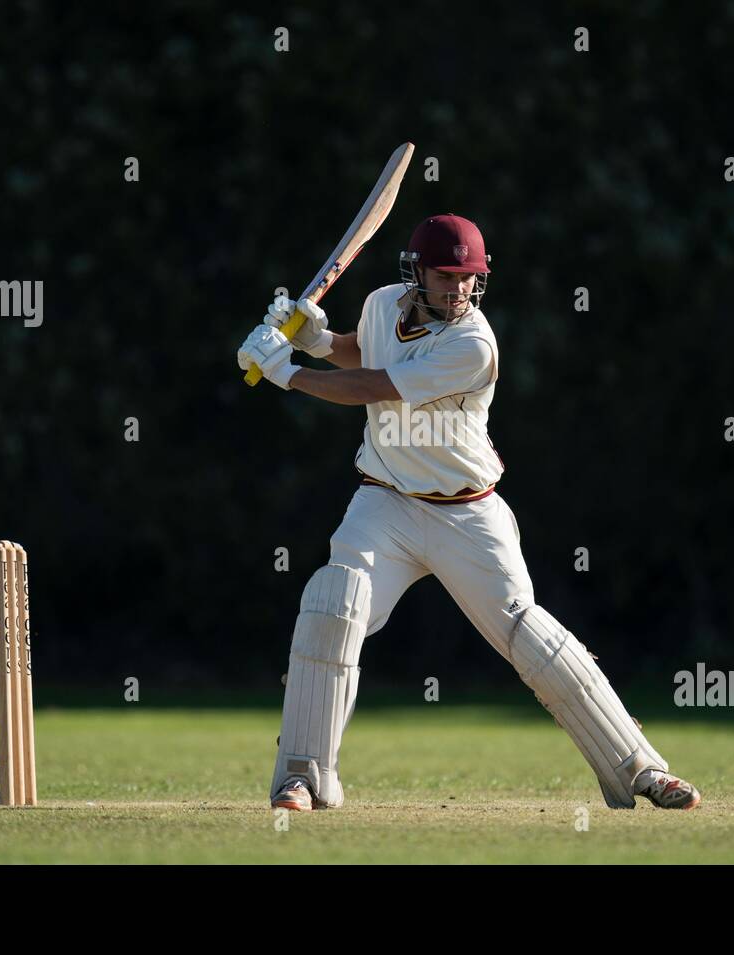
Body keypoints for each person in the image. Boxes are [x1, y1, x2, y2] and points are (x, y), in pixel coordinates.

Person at [236, 214, 701, 812]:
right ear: (417, 273)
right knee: (333, 602)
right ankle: (302, 776)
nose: (458, 289)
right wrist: (320, 342)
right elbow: (365, 350)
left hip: (468, 513)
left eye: (468, 277)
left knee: (529, 635)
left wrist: (287, 373)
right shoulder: (382, 303)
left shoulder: (473, 344)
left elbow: (374, 385)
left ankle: (639, 768)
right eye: (446, 276)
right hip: (386, 501)